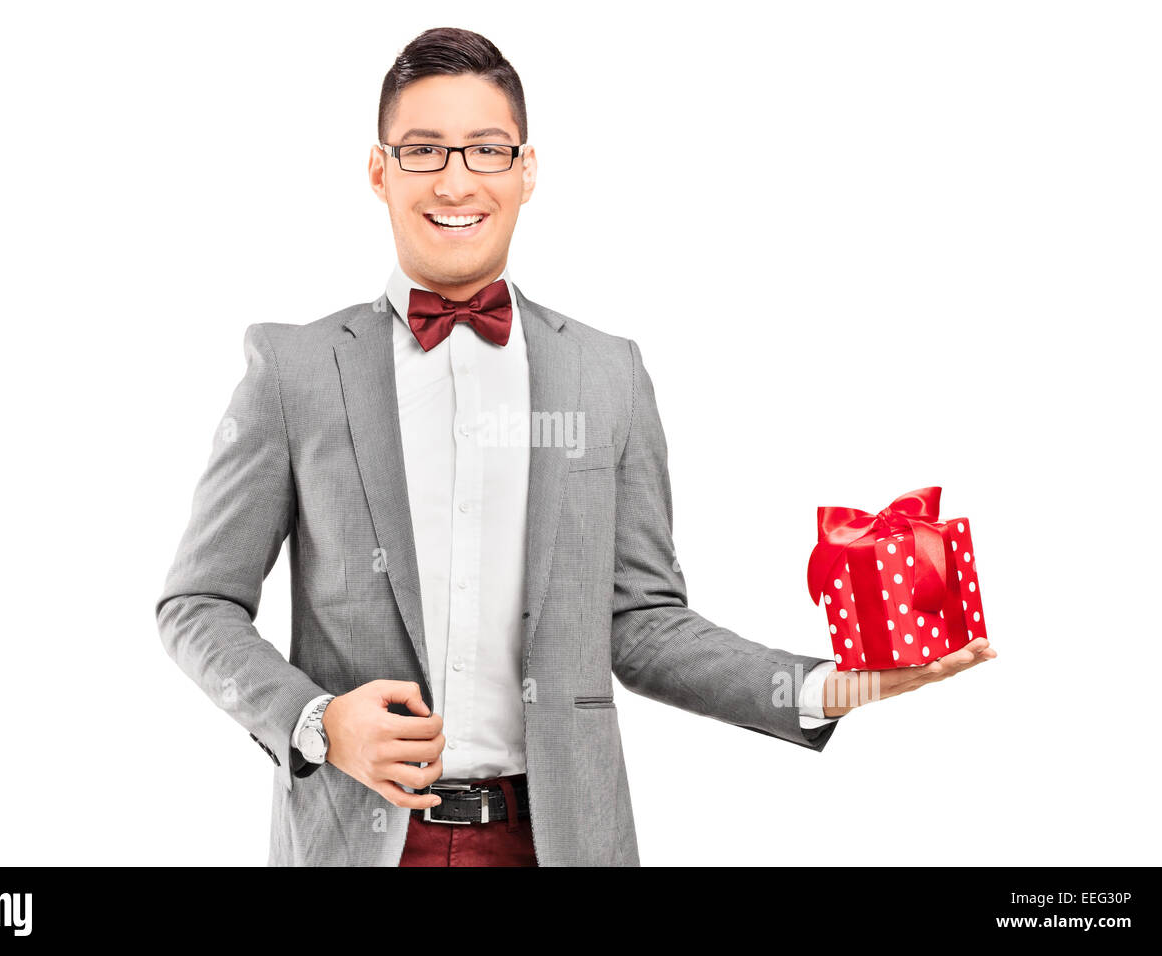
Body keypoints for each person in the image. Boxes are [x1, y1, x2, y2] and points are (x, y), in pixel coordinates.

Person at [155, 26, 996, 867]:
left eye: (486, 150)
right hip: (355, 839)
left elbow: (640, 624)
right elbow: (197, 603)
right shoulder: (293, 370)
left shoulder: (607, 374)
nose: (455, 179)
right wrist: (317, 721)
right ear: (378, 171)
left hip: (559, 842)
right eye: (423, 151)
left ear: (526, 172)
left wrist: (815, 686)